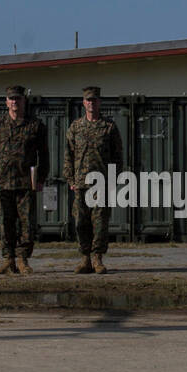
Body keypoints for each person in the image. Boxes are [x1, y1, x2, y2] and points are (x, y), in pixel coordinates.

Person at [0, 85, 49, 275]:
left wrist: (40, 179)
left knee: (27, 223)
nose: (15, 102)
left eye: (18, 99)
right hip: (3, 182)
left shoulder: (35, 125)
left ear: (24, 101)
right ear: (6, 102)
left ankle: (22, 259)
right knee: (5, 223)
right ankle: (8, 259)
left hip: (25, 183)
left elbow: (44, 155)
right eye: (11, 99)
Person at [64, 86, 124, 274]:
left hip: (101, 183)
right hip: (80, 183)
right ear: (84, 103)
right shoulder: (76, 127)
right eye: (88, 100)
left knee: (100, 223)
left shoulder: (109, 127)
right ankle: (85, 258)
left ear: (100, 102)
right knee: (80, 222)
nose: (91, 103)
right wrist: (70, 178)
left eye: (95, 100)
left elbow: (118, 156)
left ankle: (97, 258)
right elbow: (68, 155)